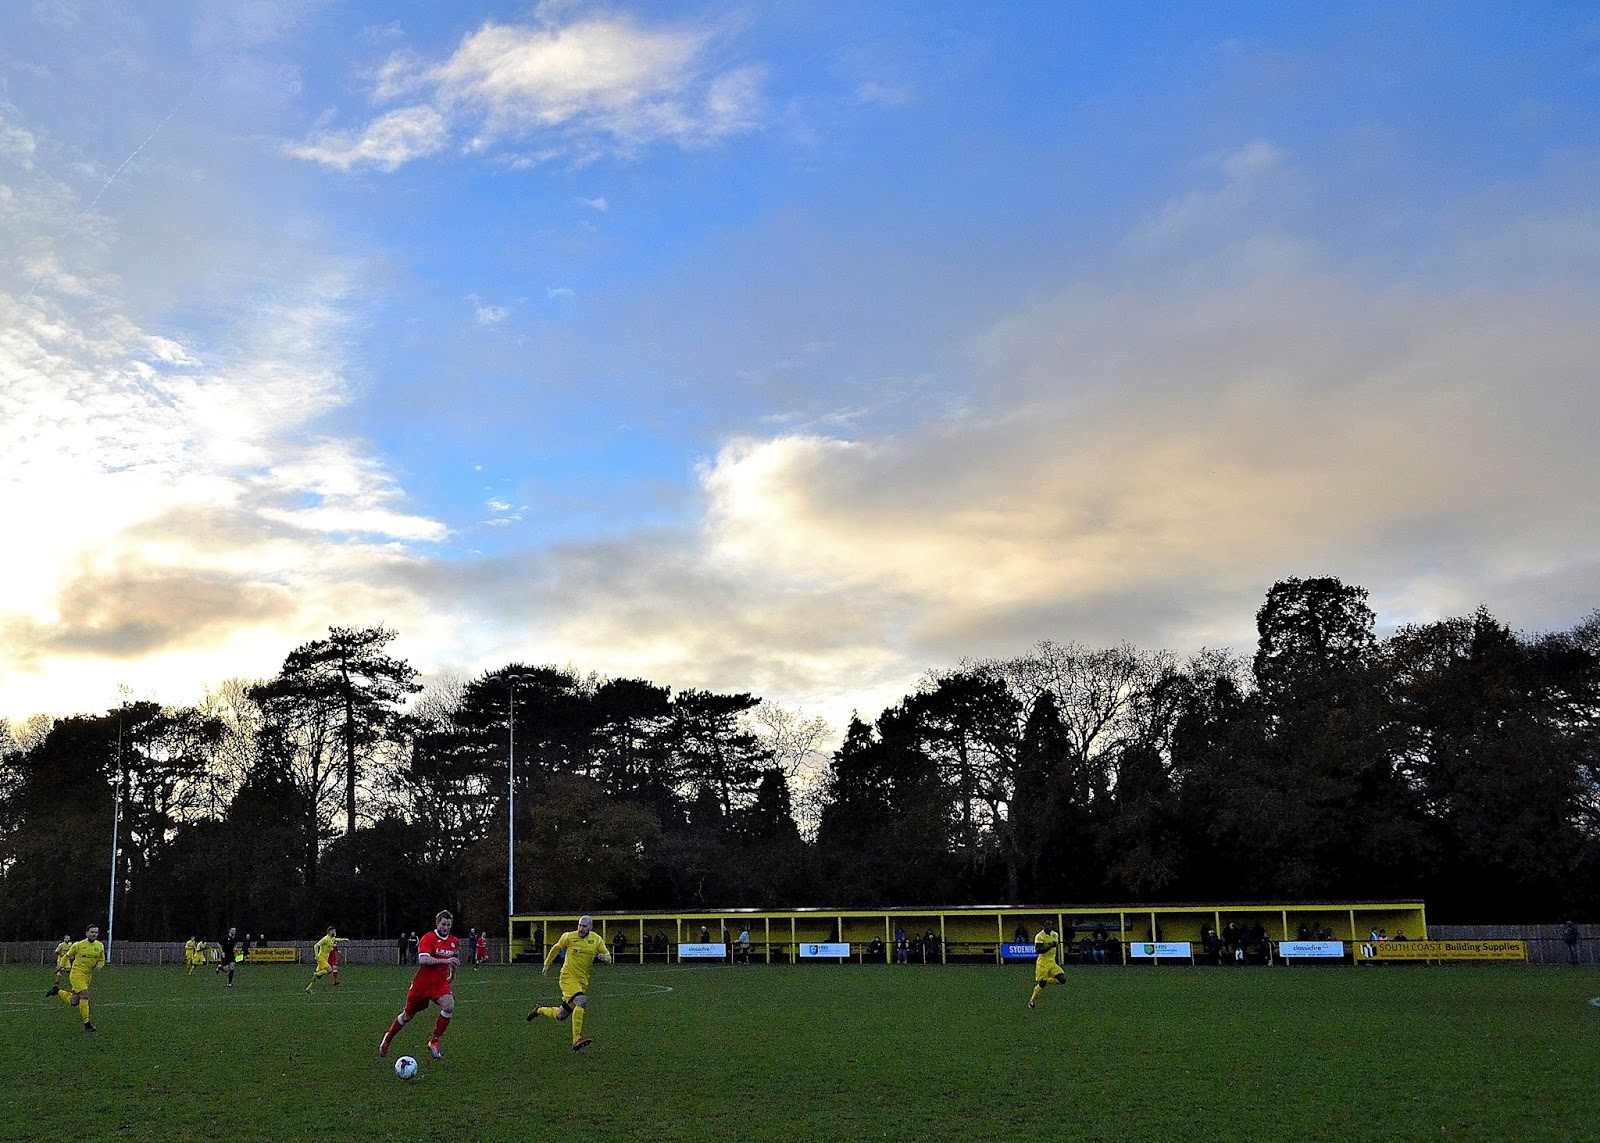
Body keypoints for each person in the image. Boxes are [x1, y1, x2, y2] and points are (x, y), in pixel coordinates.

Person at [379, 910, 461, 1061]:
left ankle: (434, 1041)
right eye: (443, 924)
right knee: (407, 1015)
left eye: (449, 925)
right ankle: (388, 1038)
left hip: (440, 984)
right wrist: (445, 961)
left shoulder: (454, 941)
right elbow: (423, 960)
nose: (446, 927)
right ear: (437, 923)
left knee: (449, 1005)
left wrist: (452, 975)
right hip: (422, 985)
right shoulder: (428, 938)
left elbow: (453, 961)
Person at [528, 914, 610, 1052]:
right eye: (579, 925)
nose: (580, 929)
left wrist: (603, 957)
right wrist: (547, 964)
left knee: (561, 1015)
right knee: (581, 1001)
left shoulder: (596, 940)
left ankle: (539, 1010)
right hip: (567, 977)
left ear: (591, 927)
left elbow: (609, 958)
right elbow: (556, 948)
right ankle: (576, 1039)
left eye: (584, 926)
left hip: (582, 981)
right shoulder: (569, 936)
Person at [45, 923, 105, 1031]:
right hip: (76, 974)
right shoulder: (78, 945)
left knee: (74, 1001)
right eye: (92, 932)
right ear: (86, 933)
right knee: (85, 995)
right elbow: (67, 956)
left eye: (96, 932)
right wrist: (60, 965)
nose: (94, 934)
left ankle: (57, 991)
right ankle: (87, 1024)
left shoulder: (99, 946)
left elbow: (101, 959)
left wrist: (100, 966)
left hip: (87, 976)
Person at [1028, 920, 1066, 1010]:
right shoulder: (1039, 936)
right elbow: (1038, 950)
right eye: (1048, 925)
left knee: (1062, 979)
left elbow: (1054, 947)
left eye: (1051, 925)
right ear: (1043, 926)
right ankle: (1031, 1001)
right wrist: (1049, 946)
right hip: (1043, 963)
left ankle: (1046, 980)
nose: (1050, 926)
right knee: (1041, 984)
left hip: (1052, 962)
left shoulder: (1055, 935)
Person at [306, 926, 349, 992]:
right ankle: (316, 974)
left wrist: (344, 939)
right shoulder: (325, 939)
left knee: (318, 977)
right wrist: (316, 956)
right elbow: (316, 946)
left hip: (325, 959)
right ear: (330, 932)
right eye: (334, 931)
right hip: (321, 958)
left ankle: (309, 989)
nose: (335, 933)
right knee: (329, 970)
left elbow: (338, 939)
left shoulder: (332, 939)